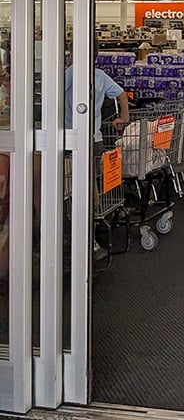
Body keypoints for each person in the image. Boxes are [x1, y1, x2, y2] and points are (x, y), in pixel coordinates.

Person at [65, 40, 129, 260]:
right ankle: (90, 238)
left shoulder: (70, 73)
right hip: (94, 139)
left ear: (72, 53)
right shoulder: (99, 75)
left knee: (70, 188)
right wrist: (124, 117)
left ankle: (76, 236)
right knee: (91, 186)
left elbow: (52, 98)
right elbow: (122, 94)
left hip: (70, 139)